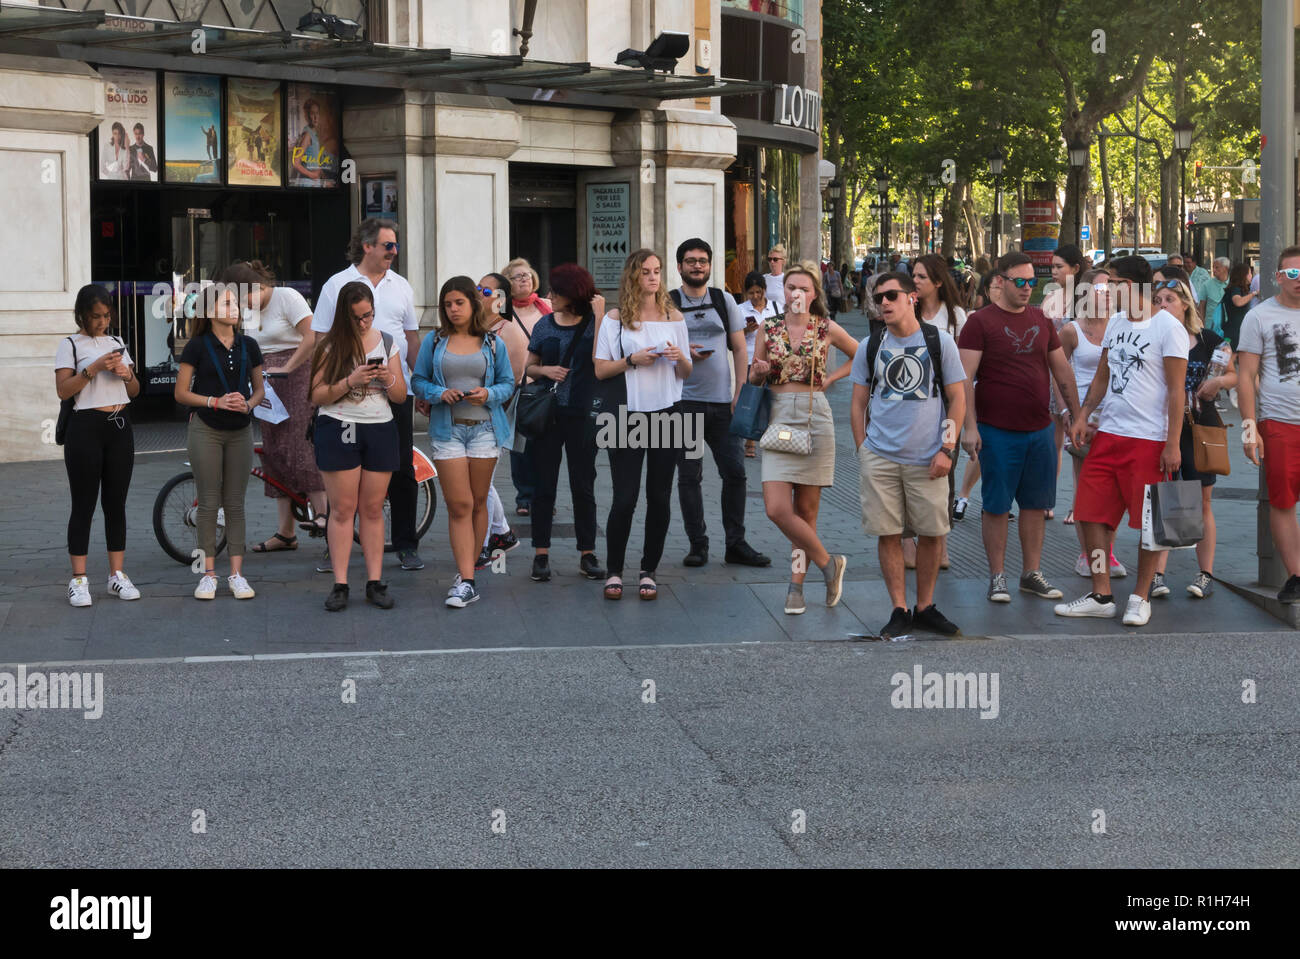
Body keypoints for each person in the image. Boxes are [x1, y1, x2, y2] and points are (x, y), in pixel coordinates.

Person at [1056, 255, 1188, 627]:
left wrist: (1172, 443)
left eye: (1110, 282)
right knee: (1089, 513)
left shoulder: (1167, 328)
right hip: (1109, 434)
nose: (1105, 290)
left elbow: (1177, 391)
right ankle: (1101, 593)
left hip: (1148, 440)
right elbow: (1102, 376)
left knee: (1149, 523)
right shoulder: (1115, 323)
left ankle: (1140, 596)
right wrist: (1082, 415)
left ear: (1128, 285)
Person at [958, 252, 1080, 604]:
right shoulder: (979, 323)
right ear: (1000, 281)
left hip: (1040, 429)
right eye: (1020, 282)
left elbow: (1062, 372)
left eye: (1032, 282)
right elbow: (964, 379)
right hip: (996, 430)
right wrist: (970, 428)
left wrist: (1075, 415)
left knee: (1035, 504)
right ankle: (997, 576)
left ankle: (1031, 573)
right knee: (996, 505)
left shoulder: (1042, 320)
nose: (1028, 289)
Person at [850, 272, 967, 639]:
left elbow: (958, 398)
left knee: (932, 534)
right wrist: (862, 450)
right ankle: (899, 608)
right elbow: (856, 404)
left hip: (928, 457)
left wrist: (947, 449)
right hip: (880, 457)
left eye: (891, 295)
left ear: (911, 297)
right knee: (888, 534)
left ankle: (925, 607)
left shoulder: (939, 341)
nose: (883, 303)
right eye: (878, 297)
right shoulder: (870, 345)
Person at [311, 218, 425, 571]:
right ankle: (337, 547)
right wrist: (340, 380)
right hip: (344, 400)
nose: (395, 252)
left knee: (404, 469)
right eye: (389, 245)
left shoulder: (402, 286)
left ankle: (406, 544)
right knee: (341, 473)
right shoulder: (337, 285)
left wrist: (416, 384)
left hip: (392, 393)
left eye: (396, 246)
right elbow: (320, 341)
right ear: (368, 246)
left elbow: (411, 339)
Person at [748, 260, 858, 614]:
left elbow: (862, 355)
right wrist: (759, 373)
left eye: (804, 288)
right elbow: (753, 378)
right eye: (791, 286)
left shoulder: (825, 328)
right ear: (783, 291)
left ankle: (795, 588)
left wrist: (832, 378)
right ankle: (829, 563)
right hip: (779, 415)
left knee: (806, 512)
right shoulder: (769, 327)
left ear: (814, 295)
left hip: (814, 415)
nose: (796, 292)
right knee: (777, 508)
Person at [593, 249, 692, 601]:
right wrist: (633, 360)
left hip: (669, 411)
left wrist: (681, 358)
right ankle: (614, 570)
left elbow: (686, 373)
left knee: (660, 497)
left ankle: (649, 570)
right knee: (624, 497)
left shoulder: (674, 316)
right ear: (633, 276)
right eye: (646, 271)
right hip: (627, 413)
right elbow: (600, 369)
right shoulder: (616, 318)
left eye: (658, 271)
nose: (653, 277)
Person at [411, 277, 515, 608]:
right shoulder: (434, 340)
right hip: (447, 429)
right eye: (447, 304)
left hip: (485, 429)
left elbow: (507, 384)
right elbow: (418, 379)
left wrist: (488, 393)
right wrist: (438, 393)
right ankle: (466, 579)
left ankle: (470, 572)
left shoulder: (492, 342)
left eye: (459, 303)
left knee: (479, 501)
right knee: (459, 505)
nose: (453, 309)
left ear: (472, 303)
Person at [670, 238, 770, 568]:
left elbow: (740, 349)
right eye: (690, 261)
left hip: (723, 403)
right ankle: (697, 545)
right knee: (689, 476)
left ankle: (735, 543)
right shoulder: (668, 303)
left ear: (710, 265)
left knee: (736, 474)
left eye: (702, 260)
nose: (697, 265)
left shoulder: (723, 299)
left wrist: (741, 391)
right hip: (683, 404)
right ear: (680, 266)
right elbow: (657, 349)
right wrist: (685, 353)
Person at [309, 281, 406, 611]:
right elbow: (316, 395)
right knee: (342, 509)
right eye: (357, 317)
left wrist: (386, 378)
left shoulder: (387, 341)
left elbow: (400, 396)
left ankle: (375, 582)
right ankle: (340, 583)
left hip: (379, 425)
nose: (365, 322)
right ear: (344, 316)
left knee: (373, 508)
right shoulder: (329, 347)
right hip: (339, 424)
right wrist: (351, 380)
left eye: (369, 315)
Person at [222, 261, 327, 553]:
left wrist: (289, 367)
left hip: (298, 374)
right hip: (266, 380)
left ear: (258, 285)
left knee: (301, 443)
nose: (244, 305)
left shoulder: (288, 298)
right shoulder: (247, 308)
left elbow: (313, 336)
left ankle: (323, 514)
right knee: (275, 447)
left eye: (246, 297)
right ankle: (285, 532)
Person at [174, 283, 265, 600]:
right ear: (210, 311)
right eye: (227, 303)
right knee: (209, 503)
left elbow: (260, 390)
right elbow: (181, 393)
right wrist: (215, 401)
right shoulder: (197, 346)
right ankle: (208, 574)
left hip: (241, 430)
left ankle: (237, 575)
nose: (235, 308)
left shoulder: (249, 345)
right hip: (206, 429)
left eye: (236, 303)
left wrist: (249, 405)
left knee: (236, 504)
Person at [1148, 276, 1236, 600]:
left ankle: (1205, 574)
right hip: (1162, 426)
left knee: (1203, 501)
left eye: (1169, 300)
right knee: (1165, 498)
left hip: (1201, 425)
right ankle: (1156, 574)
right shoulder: (1152, 338)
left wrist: (1221, 381)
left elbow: (1232, 372)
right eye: (1157, 301)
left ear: (1185, 304)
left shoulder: (1208, 338)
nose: (1162, 306)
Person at [56, 285, 142, 607]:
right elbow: (64, 390)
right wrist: (92, 369)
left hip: (119, 426)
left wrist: (124, 373)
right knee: (83, 504)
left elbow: (134, 390)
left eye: (106, 316)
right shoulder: (69, 345)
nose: (102, 322)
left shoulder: (117, 343)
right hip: (85, 428)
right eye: (96, 317)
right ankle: (78, 580)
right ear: (82, 315)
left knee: (116, 503)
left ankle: (116, 575)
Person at [521, 264, 606, 582]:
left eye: (555, 292)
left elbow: (601, 363)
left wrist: (599, 320)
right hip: (549, 413)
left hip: (583, 414)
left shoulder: (593, 324)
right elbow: (530, 367)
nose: (549, 296)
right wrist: (547, 372)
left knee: (583, 485)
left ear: (573, 294)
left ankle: (588, 553)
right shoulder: (544, 325)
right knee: (543, 485)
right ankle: (541, 555)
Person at [1238, 246, 1300, 604]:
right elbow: (1246, 377)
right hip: (1279, 422)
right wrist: (1250, 429)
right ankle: (1295, 575)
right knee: (1282, 501)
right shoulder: (1259, 316)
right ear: (1277, 277)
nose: (1298, 280)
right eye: (1291, 274)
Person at [1059, 268, 1125, 578]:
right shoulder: (1072, 331)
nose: (1107, 292)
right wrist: (1066, 413)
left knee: (1113, 491)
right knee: (1087, 489)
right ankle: (1087, 555)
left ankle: (1107, 554)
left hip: (1115, 417)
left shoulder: (1122, 326)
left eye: (1110, 287)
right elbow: (1055, 374)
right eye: (1100, 288)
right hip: (1083, 420)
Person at [905, 253, 968, 569]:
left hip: (946, 407)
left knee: (945, 471)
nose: (914, 282)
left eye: (920, 277)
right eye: (912, 276)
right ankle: (907, 540)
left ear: (938, 282)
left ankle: (940, 542)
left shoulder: (956, 316)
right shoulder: (905, 309)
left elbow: (966, 370)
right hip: (907, 406)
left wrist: (970, 424)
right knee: (904, 472)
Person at [502, 257, 551, 516]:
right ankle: (524, 497)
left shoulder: (548, 308)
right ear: (507, 284)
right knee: (519, 447)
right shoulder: (502, 312)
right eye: (517, 276)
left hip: (545, 386)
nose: (524, 279)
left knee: (545, 447)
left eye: (527, 275)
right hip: (516, 388)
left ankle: (545, 497)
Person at [1043, 244, 1089, 512]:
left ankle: (1077, 505)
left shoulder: (1086, 300)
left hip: (1080, 376)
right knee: (1054, 444)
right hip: (1053, 375)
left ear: (1075, 269)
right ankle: (1049, 501)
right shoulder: (1050, 298)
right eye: (1052, 267)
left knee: (1078, 444)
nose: (1054, 272)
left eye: (1059, 267)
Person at [739, 270, 778, 458]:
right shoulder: (740, 310)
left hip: (773, 360)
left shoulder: (777, 308)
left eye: (758, 292)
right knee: (752, 399)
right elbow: (734, 340)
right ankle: (749, 440)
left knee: (771, 400)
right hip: (750, 360)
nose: (755, 296)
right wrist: (746, 330)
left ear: (764, 290)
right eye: (751, 293)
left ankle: (772, 438)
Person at [1222, 263, 1257, 349]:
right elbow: (1238, 302)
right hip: (1234, 330)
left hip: (1236, 328)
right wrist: (1254, 293)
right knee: (1231, 356)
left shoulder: (1238, 289)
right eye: (1249, 273)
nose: (1251, 275)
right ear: (1243, 275)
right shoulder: (1235, 289)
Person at [1203, 257, 1231, 334]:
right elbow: (1201, 307)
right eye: (1213, 267)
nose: (1214, 270)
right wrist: (1202, 327)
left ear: (1225, 268)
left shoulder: (1233, 284)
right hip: (1210, 328)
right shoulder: (1207, 285)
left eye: (1217, 267)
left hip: (1228, 327)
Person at [763, 245, 788, 311]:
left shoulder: (787, 279)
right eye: (769, 259)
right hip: (765, 316)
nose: (772, 262)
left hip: (780, 318)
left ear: (783, 261)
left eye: (775, 259)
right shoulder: (763, 278)